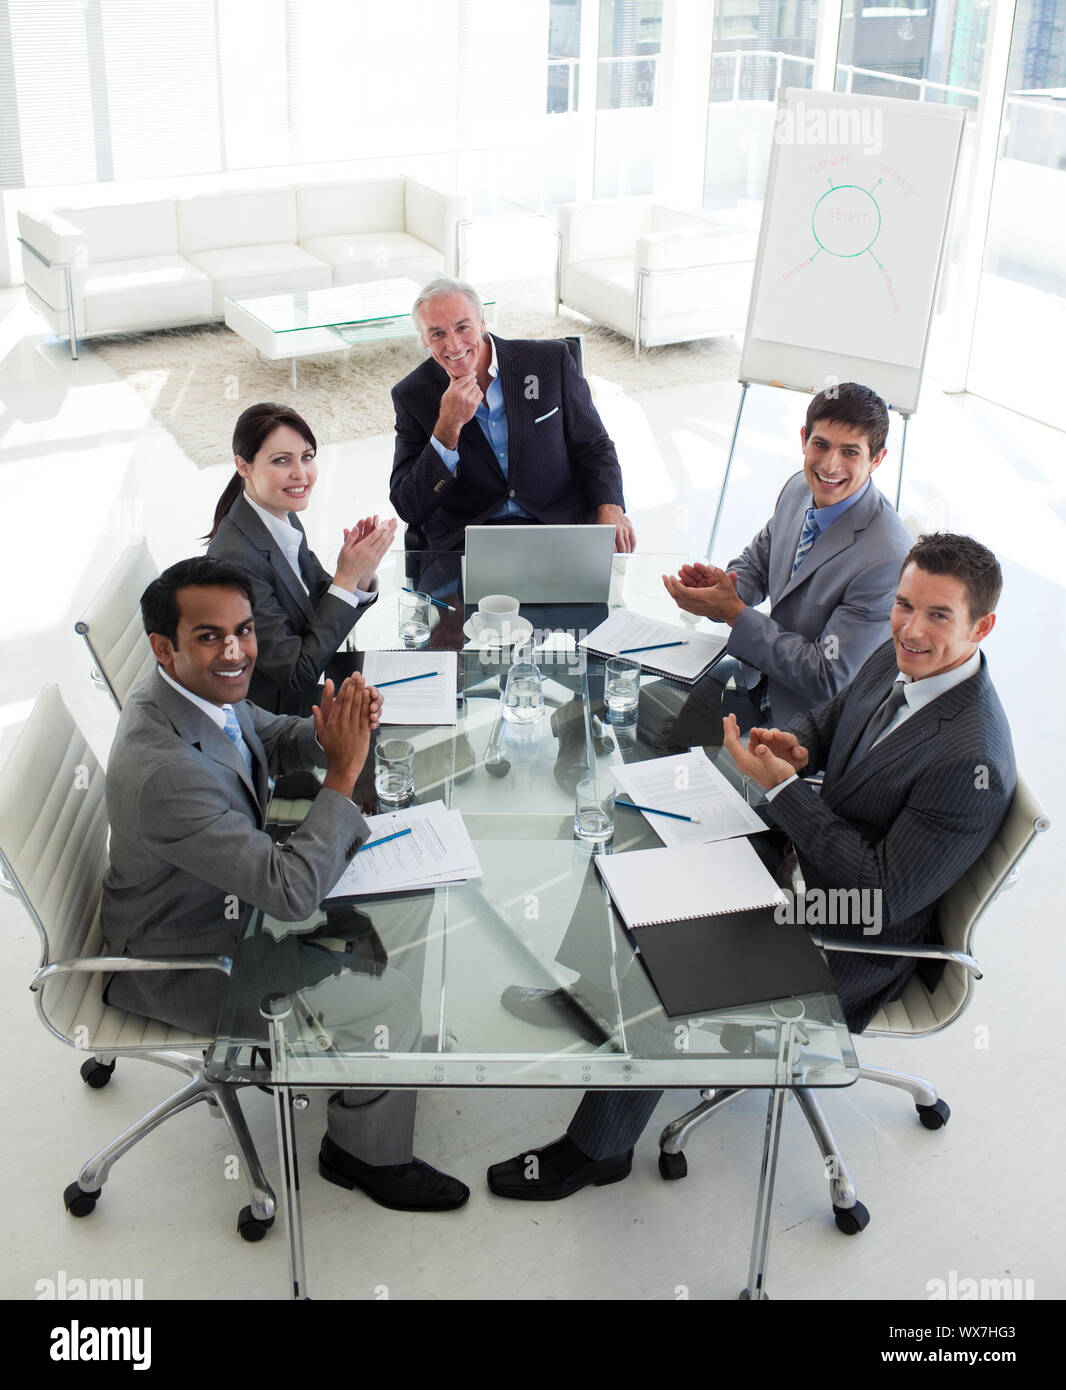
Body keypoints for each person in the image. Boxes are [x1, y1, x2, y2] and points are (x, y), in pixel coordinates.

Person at [487, 533, 1015, 1200]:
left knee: (672, 951)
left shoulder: (973, 762)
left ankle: (598, 1149)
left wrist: (786, 792)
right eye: (905, 605)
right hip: (807, 863)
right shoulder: (906, 656)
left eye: (938, 615)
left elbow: (880, 897)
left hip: (851, 934)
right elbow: (834, 718)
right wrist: (798, 747)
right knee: (632, 842)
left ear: (982, 626)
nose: (911, 628)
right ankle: (595, 1002)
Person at [101, 557, 468, 1212]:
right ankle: (363, 1153)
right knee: (387, 995)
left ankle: (382, 1056)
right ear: (165, 646)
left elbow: (266, 736)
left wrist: (331, 735)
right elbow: (291, 892)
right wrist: (344, 770)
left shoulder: (192, 694)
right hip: (194, 960)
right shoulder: (165, 771)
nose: (237, 651)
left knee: (411, 894)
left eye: (243, 630)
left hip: (229, 898)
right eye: (211, 636)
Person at [663, 382, 911, 729]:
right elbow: (756, 563)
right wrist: (723, 591)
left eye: (850, 453)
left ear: (876, 460)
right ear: (803, 439)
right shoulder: (798, 487)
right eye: (820, 445)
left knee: (663, 722)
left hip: (808, 722)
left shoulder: (886, 560)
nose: (829, 465)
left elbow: (826, 676)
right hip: (755, 675)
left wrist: (733, 613)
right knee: (643, 694)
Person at [389, 276, 635, 554]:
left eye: (462, 327)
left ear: (482, 322)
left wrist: (611, 507)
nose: (454, 345)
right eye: (437, 333)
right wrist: (447, 428)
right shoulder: (411, 394)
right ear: (423, 339)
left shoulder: (550, 361)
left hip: (557, 528)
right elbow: (408, 505)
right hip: (468, 543)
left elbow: (594, 445)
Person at [206, 402, 397, 716]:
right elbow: (295, 674)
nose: (300, 474)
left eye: (307, 457)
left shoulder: (279, 514)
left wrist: (360, 571)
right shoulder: (236, 559)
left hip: (307, 685)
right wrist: (346, 579)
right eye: (281, 460)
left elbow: (320, 598)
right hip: (273, 715)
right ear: (243, 466)